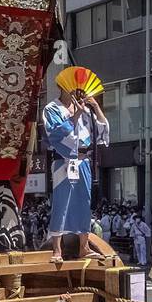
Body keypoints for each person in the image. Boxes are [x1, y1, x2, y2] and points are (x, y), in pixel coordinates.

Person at [43, 74, 109, 262]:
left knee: (83, 203)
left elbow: (101, 131)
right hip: (64, 160)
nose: (75, 91)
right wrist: (76, 115)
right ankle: (57, 249)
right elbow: (55, 134)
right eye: (72, 87)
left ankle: (84, 246)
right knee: (61, 203)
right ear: (62, 87)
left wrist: (95, 107)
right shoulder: (52, 109)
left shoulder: (86, 110)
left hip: (83, 160)